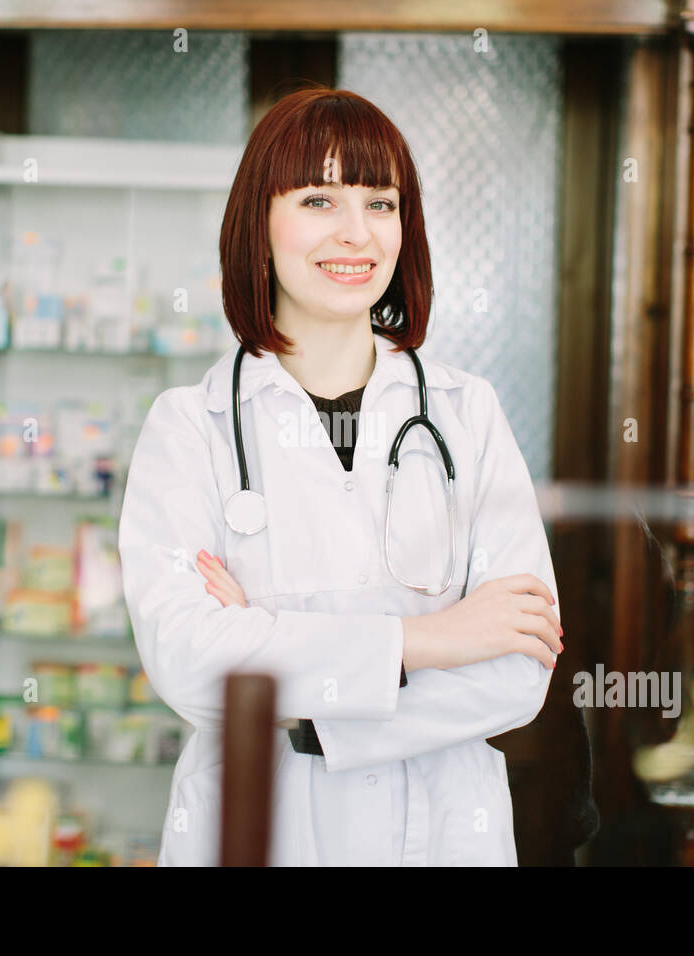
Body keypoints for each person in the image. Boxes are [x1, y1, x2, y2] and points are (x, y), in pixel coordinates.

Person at [118, 87, 565, 866]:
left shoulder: (468, 413)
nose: (356, 233)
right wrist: (429, 639)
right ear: (259, 221)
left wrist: (301, 707)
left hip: (443, 834)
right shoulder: (191, 427)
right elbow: (192, 661)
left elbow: (517, 668)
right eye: (319, 198)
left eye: (381, 203)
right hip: (257, 830)